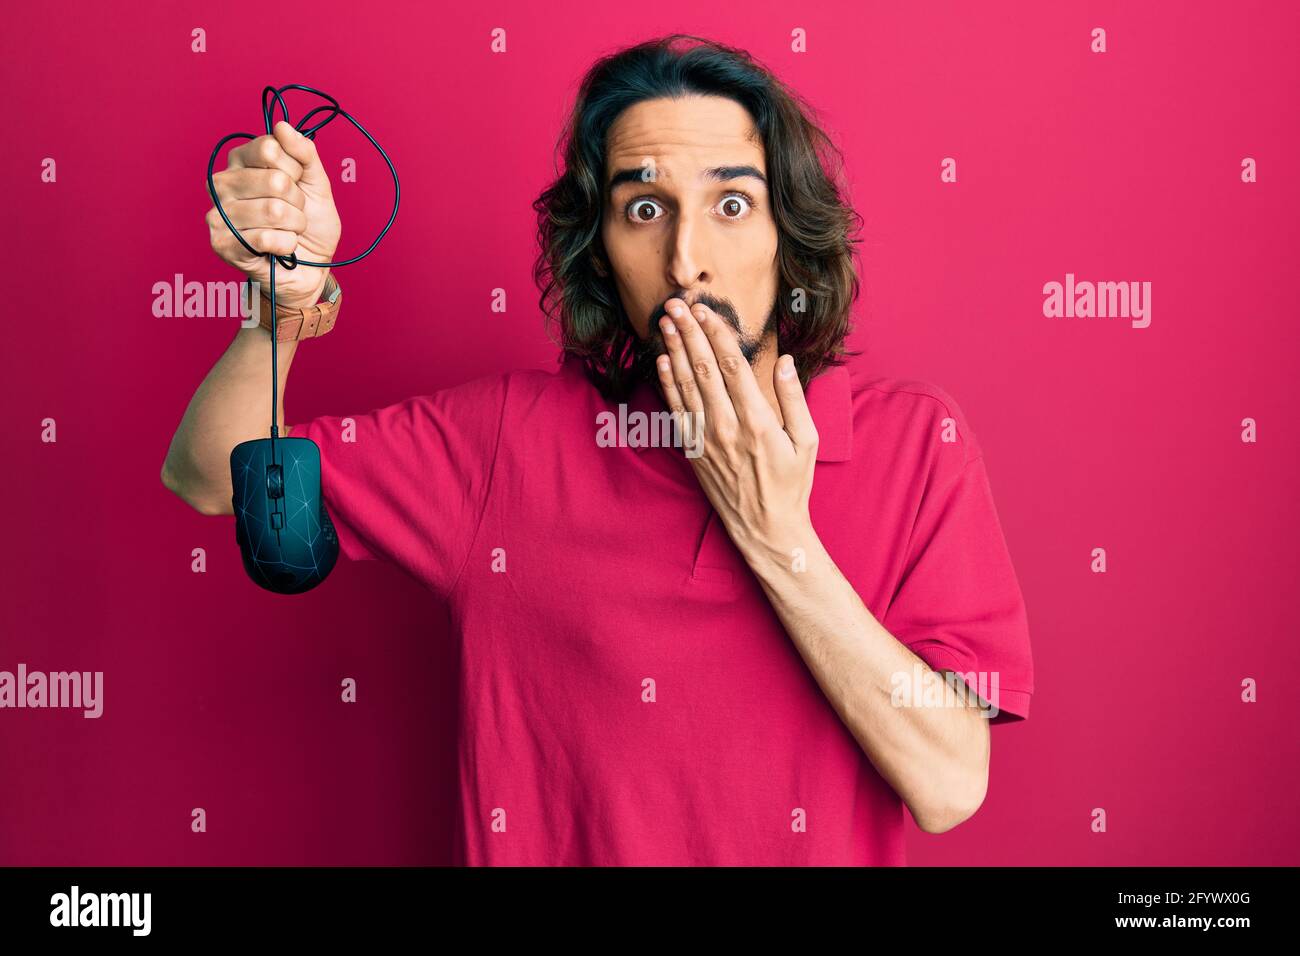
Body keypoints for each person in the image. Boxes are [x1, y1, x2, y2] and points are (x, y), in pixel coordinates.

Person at [162, 34, 1034, 866]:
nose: (687, 258)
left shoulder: (918, 442)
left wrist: (777, 535)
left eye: (733, 204)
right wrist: (284, 300)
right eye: (644, 208)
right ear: (601, 251)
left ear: (789, 238)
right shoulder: (506, 442)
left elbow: (950, 784)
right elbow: (209, 476)